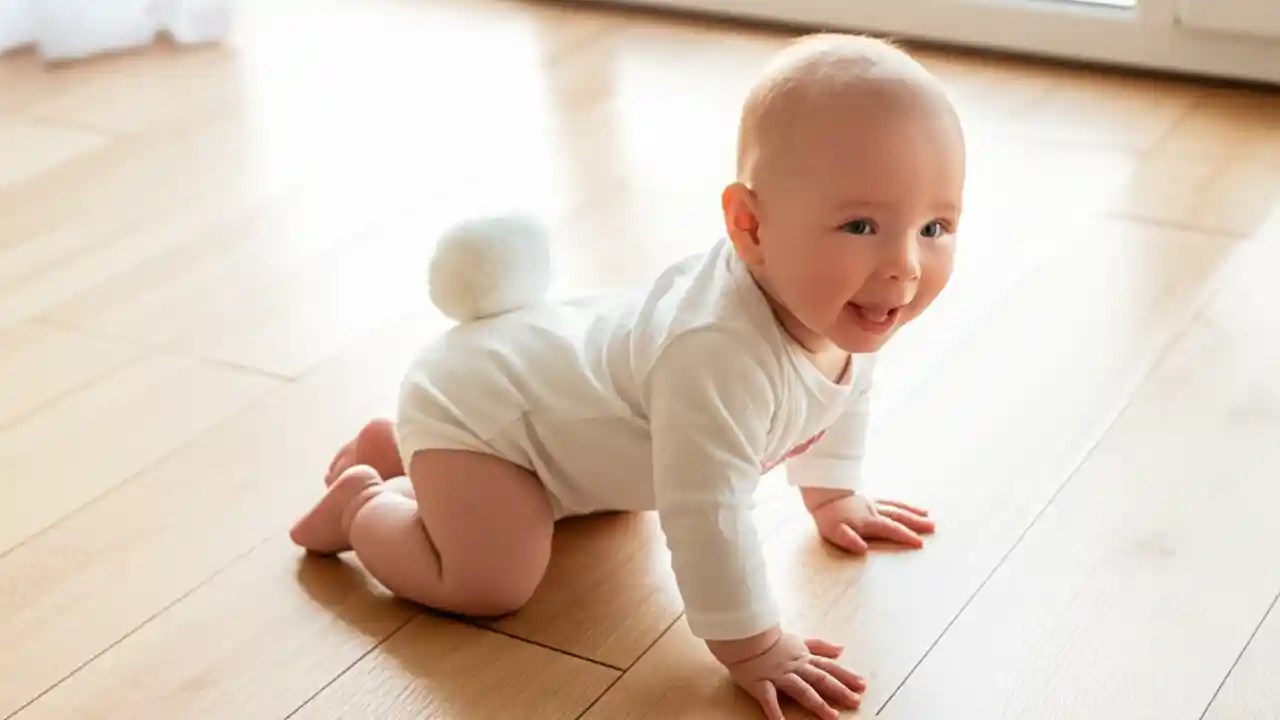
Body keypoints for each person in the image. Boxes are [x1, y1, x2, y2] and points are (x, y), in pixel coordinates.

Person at [290, 32, 964, 720]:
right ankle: (364, 505)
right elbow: (707, 513)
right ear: (750, 225)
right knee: (490, 580)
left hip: (546, 422)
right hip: (481, 415)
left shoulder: (843, 301)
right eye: (860, 224)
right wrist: (752, 644)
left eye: (935, 227)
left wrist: (832, 494)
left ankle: (402, 446)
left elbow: (842, 391)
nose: (904, 265)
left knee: (593, 513)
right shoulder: (716, 356)